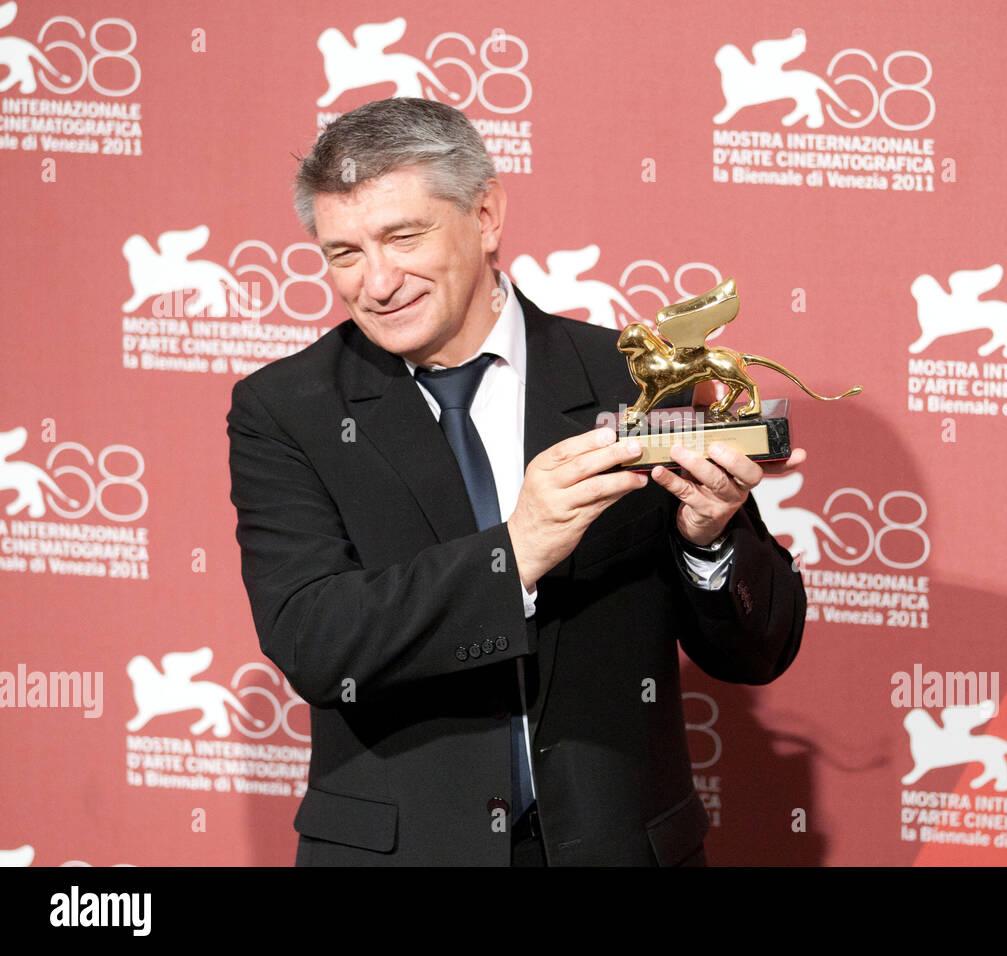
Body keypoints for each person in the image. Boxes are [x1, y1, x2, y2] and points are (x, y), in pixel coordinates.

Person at [227, 97, 806, 866]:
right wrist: (517, 552)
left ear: (487, 215)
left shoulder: (630, 379)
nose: (377, 281)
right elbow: (316, 641)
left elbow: (759, 651)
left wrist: (709, 544)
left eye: (404, 237)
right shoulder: (287, 409)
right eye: (343, 253)